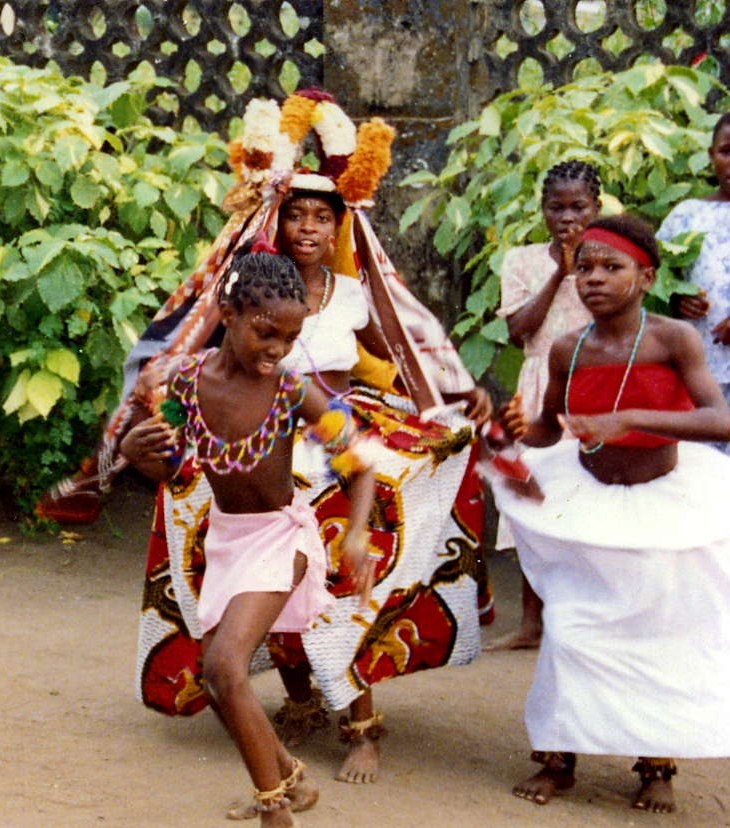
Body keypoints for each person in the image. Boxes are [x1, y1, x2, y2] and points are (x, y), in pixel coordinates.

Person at [131, 91, 492, 793]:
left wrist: (452, 393)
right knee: (231, 559)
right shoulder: (243, 306)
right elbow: (187, 397)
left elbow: (405, 353)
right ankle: (293, 701)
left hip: (328, 437)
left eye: (321, 217)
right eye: (294, 214)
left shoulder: (350, 297)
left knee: (340, 589)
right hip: (261, 449)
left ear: (339, 227)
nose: (306, 227)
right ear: (275, 219)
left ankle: (361, 724)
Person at [492, 213, 730, 814]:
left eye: (611, 267)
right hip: (589, 502)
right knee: (572, 628)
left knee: (656, 632)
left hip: (661, 504)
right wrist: (517, 432)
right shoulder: (568, 348)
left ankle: (656, 764)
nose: (594, 279)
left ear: (646, 277)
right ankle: (559, 758)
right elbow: (549, 428)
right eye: (584, 267)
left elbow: (719, 421)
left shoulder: (673, 339)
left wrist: (630, 420)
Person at [122, 243, 377, 827]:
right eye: (266, 333)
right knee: (216, 681)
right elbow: (168, 464)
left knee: (224, 668)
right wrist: (137, 450)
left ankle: (275, 811)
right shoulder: (187, 384)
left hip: (280, 539)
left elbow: (358, 460)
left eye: (290, 338)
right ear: (228, 314)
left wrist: (358, 533)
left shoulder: (292, 390)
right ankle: (290, 779)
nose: (278, 350)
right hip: (227, 540)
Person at [485, 160, 601, 652]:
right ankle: (532, 622)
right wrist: (560, 271)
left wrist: (584, 266)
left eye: (579, 207)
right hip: (538, 389)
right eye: (557, 207)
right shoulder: (522, 260)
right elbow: (519, 331)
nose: (567, 217)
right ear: (542, 210)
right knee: (536, 500)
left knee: (591, 499)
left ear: (596, 208)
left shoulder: (607, 260)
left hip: (595, 387)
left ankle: (586, 623)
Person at [659, 108, 730, 464]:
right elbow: (655, 276)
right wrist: (676, 299)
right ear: (712, 155)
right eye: (728, 151)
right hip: (700, 368)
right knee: (702, 469)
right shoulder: (687, 214)